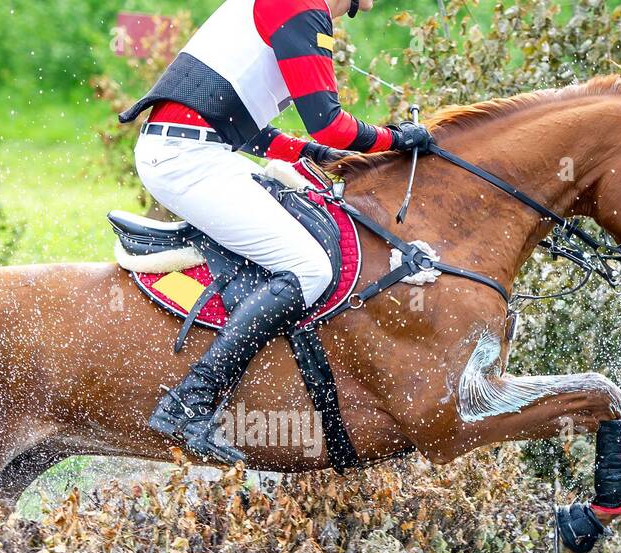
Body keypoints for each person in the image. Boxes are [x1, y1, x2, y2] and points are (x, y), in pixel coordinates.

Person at [119, 0, 432, 464]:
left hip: (197, 150)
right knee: (308, 268)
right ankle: (191, 401)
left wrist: (312, 153)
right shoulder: (302, 7)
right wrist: (394, 138)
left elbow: (244, 127)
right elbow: (331, 122)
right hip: (188, 161)